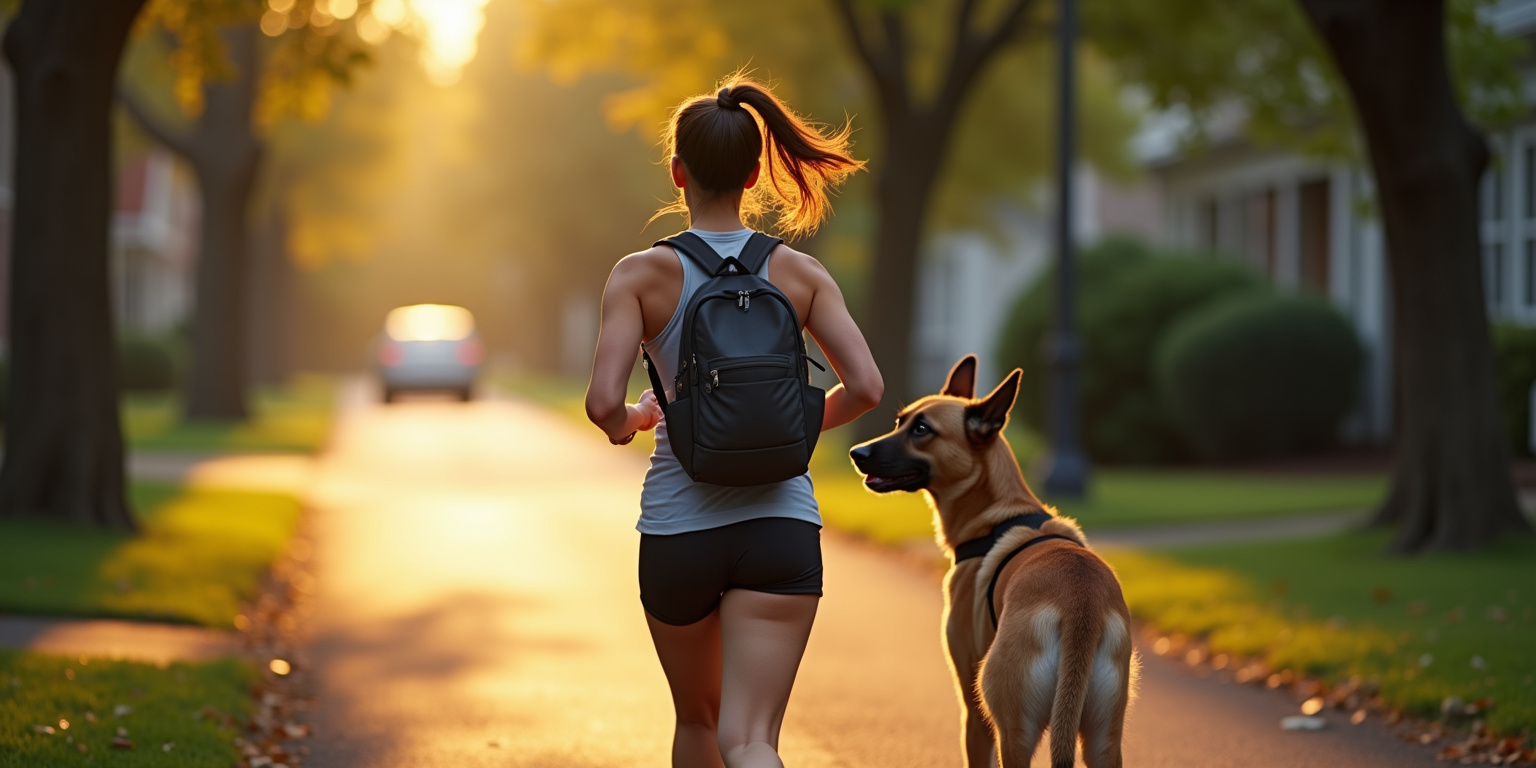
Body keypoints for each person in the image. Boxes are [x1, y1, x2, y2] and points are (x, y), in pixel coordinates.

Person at [584, 76, 884, 768]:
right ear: (755, 175)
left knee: (698, 723)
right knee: (750, 740)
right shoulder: (801, 273)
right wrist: (795, 434)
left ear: (677, 172)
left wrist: (634, 419)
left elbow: (603, 405)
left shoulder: (639, 275)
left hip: (678, 531)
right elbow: (865, 387)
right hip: (781, 528)